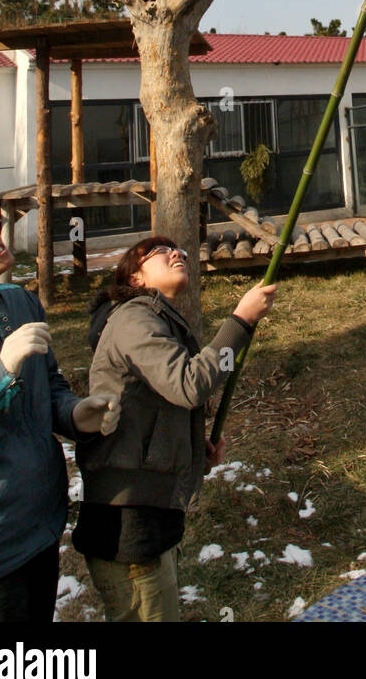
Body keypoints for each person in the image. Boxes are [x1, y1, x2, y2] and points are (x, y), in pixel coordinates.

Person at [74, 234, 275, 622]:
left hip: (149, 509)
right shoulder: (133, 316)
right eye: (160, 252)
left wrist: (189, 447)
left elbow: (159, 401)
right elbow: (187, 384)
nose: (177, 253)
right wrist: (240, 321)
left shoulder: (157, 318)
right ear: (134, 278)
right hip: (127, 520)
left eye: (180, 250)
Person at [0, 201, 120, 622]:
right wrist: (0, 371)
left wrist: (77, 414)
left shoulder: (20, 304)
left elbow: (49, 384)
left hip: (40, 530)